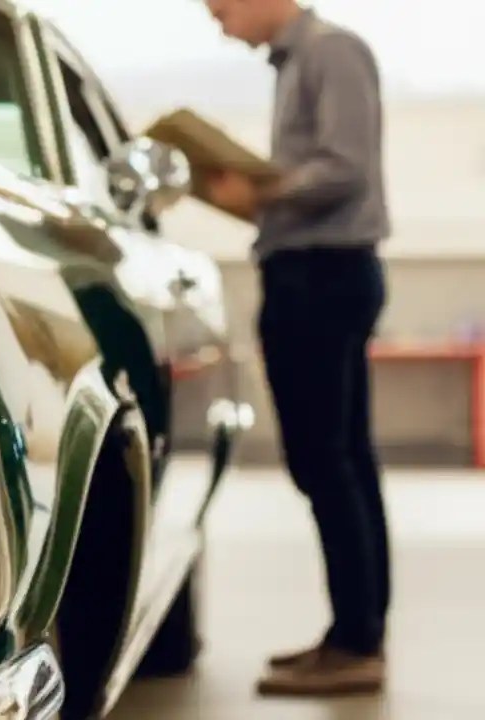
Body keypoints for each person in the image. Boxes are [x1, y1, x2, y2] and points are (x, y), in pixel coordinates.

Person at [201, 0, 392, 697]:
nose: (218, 22)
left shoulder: (329, 51)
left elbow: (345, 169)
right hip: (316, 272)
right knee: (343, 461)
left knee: (326, 462)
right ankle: (355, 633)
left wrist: (259, 191)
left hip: (322, 275)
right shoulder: (298, 62)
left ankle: (357, 643)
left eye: (221, 7)